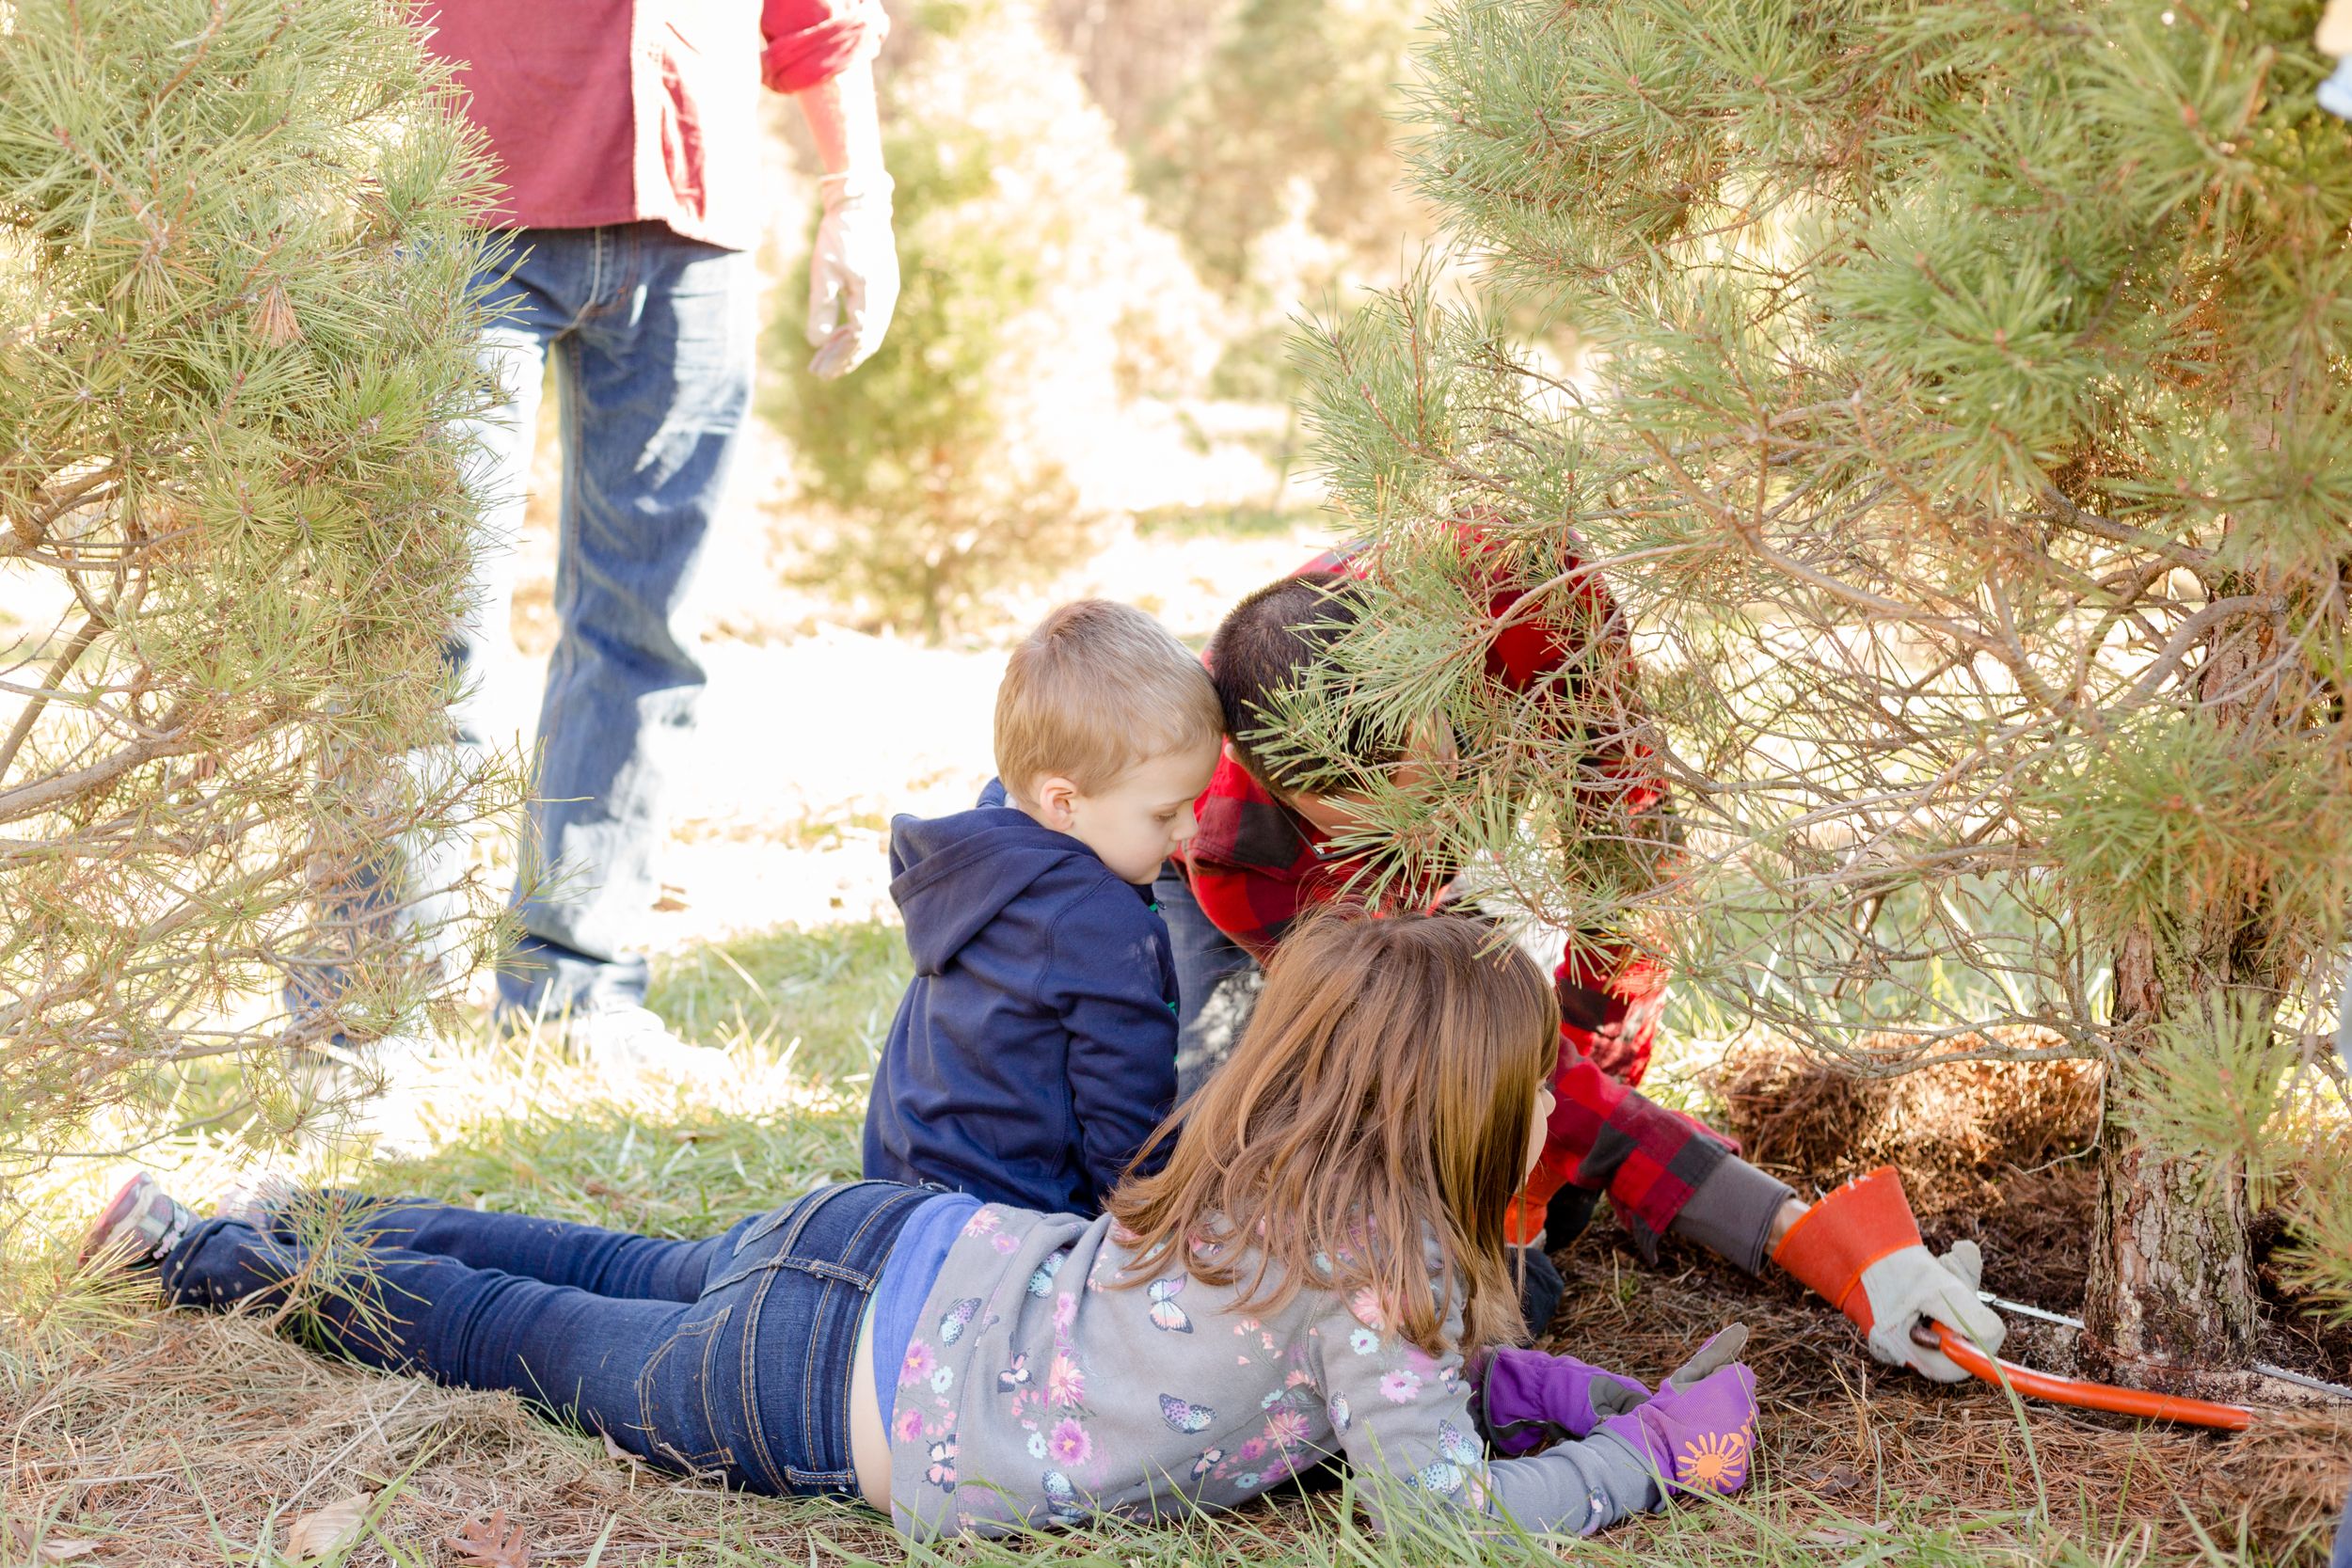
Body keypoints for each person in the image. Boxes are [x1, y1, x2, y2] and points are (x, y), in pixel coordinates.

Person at [85, 914, 1762, 1539]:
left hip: (893, 1244)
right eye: (1539, 1084)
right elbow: (1446, 1528)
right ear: (1456, 1113)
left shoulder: (1276, 1159)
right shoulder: (1384, 1277)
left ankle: (294, 1210)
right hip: (831, 1397)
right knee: (499, 1336)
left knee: (567, 1256)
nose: (1557, 1108)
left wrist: (1514, 1386)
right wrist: (1652, 1461)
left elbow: (1379, 1404)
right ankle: (202, 1256)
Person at [1159, 544, 2008, 1377]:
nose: (1440, 819)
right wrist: (1796, 1232)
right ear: (1292, 798)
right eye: (1385, 824)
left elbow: (1627, 861)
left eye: (1443, 767)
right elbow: (1441, 1037)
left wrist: (1603, 1085)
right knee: (1247, 1138)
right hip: (1284, 900)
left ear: (1431, 680)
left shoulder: (1525, 597)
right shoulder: (1241, 859)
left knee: (1545, 1149)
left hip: (1437, 694)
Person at [294, 0, 903, 1073]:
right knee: (418, 630)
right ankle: (357, 1025)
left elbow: (815, 12)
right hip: (460, 196)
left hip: (690, 212)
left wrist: (858, 193)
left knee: (646, 631)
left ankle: (575, 994)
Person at [861, 601, 1223, 1213]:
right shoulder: (1097, 921)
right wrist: (1156, 1223)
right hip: (1006, 1223)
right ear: (1063, 801)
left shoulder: (991, 853)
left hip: (900, 1186)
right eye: (1165, 812)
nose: (1189, 828)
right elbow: (1129, 1117)